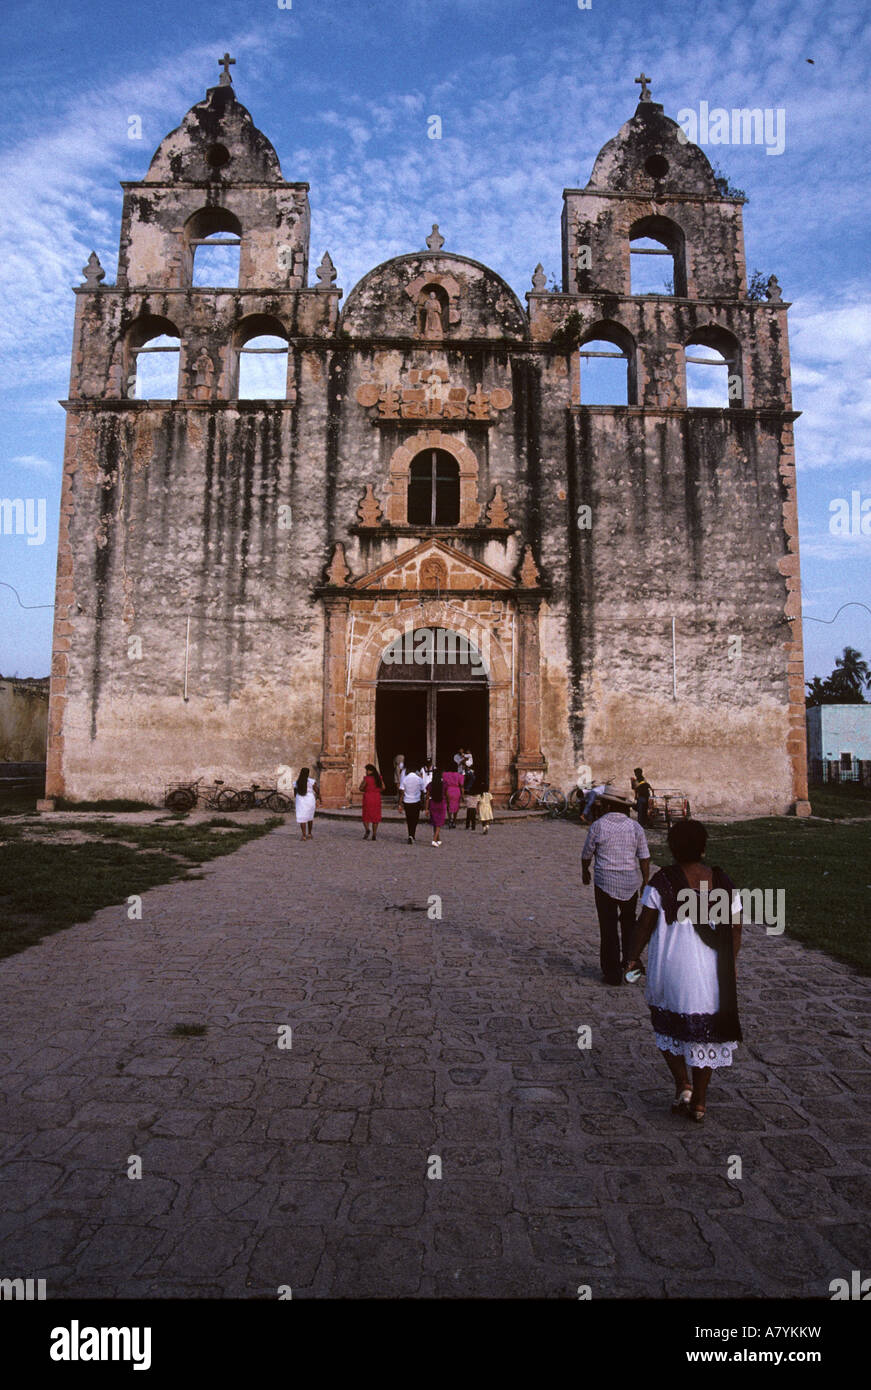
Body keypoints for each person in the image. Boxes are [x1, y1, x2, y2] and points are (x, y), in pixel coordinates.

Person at [625, 819, 742, 1123]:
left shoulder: (662, 882)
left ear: (673, 849)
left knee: (667, 1028)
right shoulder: (723, 882)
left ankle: (682, 1084)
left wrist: (632, 958)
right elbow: (735, 927)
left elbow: (644, 924)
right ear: (703, 848)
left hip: (672, 970)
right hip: (713, 975)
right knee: (706, 1037)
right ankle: (700, 1099)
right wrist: (731, 964)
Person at [581, 795, 650, 985]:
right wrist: (645, 880)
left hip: (605, 882)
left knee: (608, 926)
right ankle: (631, 965)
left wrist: (585, 870)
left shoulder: (599, 825)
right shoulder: (635, 827)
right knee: (629, 924)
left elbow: (587, 852)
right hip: (629, 882)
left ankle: (612, 972)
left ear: (608, 806)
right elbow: (644, 856)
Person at [398, 762, 424, 843]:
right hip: (416, 801)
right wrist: (423, 803)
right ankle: (413, 834)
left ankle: (410, 835)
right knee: (415, 819)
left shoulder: (405, 779)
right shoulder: (419, 779)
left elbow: (402, 792)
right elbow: (423, 791)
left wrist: (400, 804)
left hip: (407, 801)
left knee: (409, 819)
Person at [294, 766, 319, 841]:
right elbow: (317, 790)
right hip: (310, 800)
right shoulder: (311, 781)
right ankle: (309, 833)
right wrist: (320, 798)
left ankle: (303, 835)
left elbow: (295, 793)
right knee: (309, 817)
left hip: (300, 800)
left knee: (302, 817)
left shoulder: (296, 783)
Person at [359, 763, 383, 841]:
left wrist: (366, 790)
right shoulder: (379, 778)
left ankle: (367, 830)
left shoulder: (367, 779)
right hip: (376, 797)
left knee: (366, 815)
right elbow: (383, 787)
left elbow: (361, 787)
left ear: (370, 771)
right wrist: (377, 790)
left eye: (367, 770)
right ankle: (374, 834)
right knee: (375, 816)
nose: (366, 772)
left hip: (368, 797)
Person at [427, 768, 447, 846]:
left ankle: (438, 839)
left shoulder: (430, 784)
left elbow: (427, 797)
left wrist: (426, 808)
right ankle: (434, 839)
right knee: (439, 823)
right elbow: (446, 794)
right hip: (441, 804)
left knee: (435, 822)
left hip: (433, 804)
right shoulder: (444, 784)